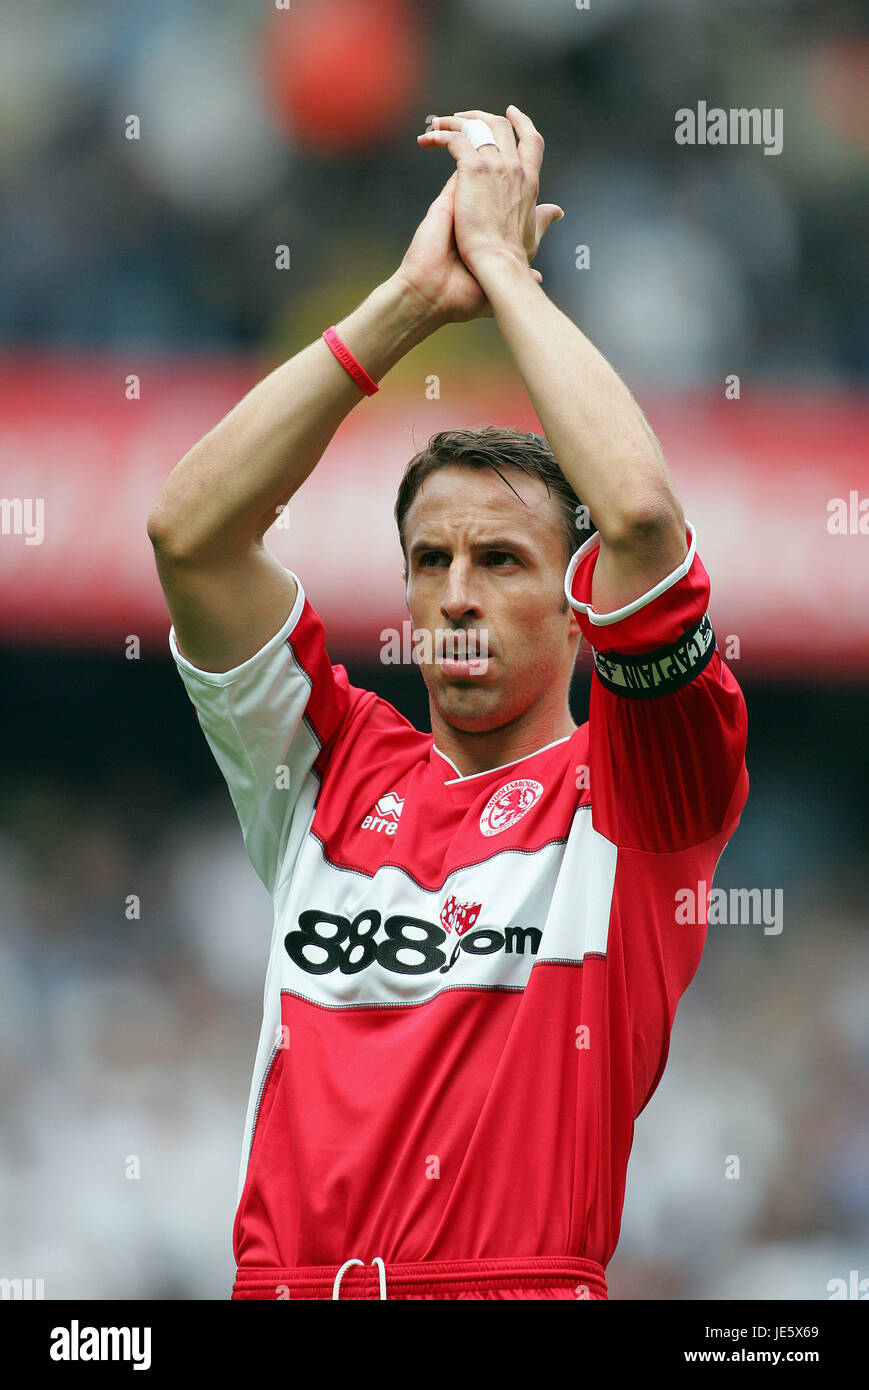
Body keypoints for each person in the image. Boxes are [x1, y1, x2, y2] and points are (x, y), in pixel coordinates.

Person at [147, 106, 749, 1301]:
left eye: (503, 561)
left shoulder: (635, 795)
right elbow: (190, 534)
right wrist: (410, 303)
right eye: (431, 561)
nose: (456, 595)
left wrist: (508, 280)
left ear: (581, 605)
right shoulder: (328, 767)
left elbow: (633, 514)